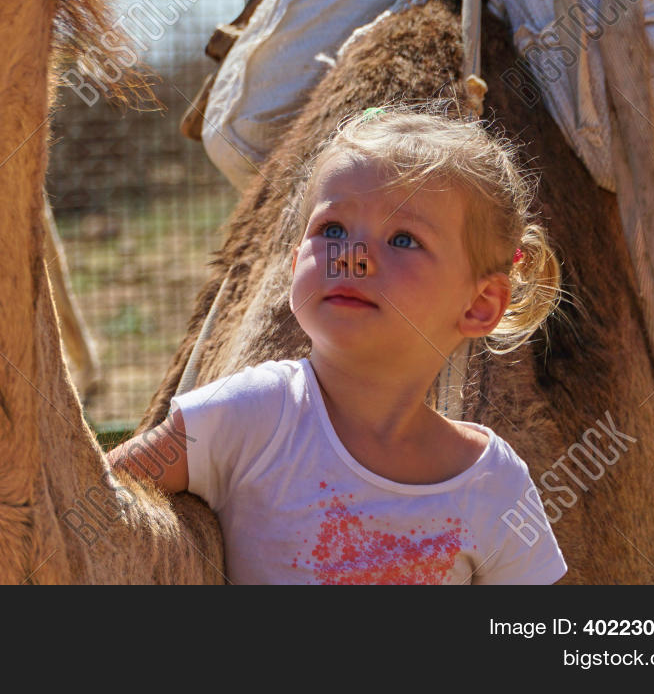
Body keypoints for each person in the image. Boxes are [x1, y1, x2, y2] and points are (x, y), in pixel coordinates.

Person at [111, 105, 568, 584]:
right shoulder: (250, 416)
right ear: (294, 265)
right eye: (332, 230)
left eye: (403, 239)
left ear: (479, 305)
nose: (351, 258)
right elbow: (91, 500)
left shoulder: (495, 484)